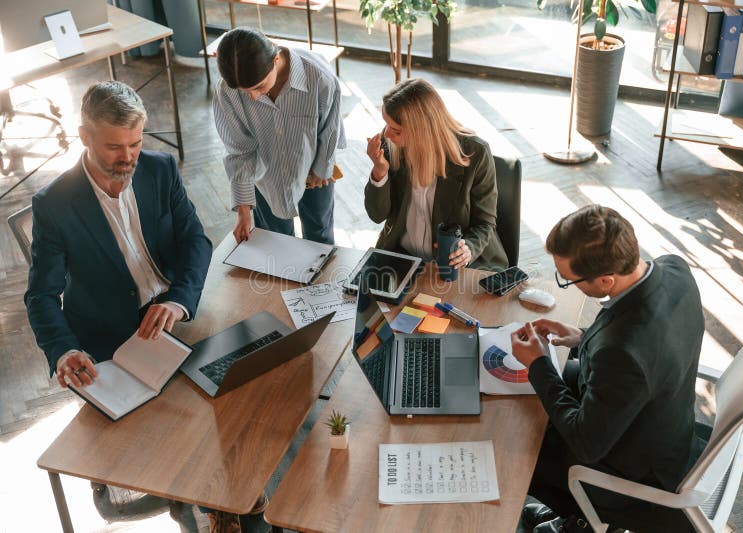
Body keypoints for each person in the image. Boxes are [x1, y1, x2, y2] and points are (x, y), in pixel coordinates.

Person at [510, 205, 704, 533]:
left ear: (606, 280)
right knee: (548, 387)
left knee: (522, 447)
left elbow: (586, 444)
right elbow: (642, 341)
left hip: (639, 466)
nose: (568, 284)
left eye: (569, 280)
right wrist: (582, 337)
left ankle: (584, 522)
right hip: (661, 414)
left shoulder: (621, 353)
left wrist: (538, 364)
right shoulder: (675, 269)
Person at [25, 81, 212, 389]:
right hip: (111, 339)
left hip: (177, 311)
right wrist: (64, 350)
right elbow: (41, 294)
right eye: (114, 147)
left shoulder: (161, 169)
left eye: (135, 143)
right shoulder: (54, 204)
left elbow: (195, 239)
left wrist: (179, 301)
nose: (128, 157)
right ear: (85, 136)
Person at [213, 27, 346, 245]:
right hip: (265, 178)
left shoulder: (319, 77)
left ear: (276, 60)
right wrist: (243, 212)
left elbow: (330, 129)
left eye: (259, 86)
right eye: (245, 92)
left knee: (320, 234)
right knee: (274, 240)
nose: (253, 97)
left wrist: (322, 168)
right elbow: (239, 151)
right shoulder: (227, 92)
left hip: (314, 170)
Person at [364, 78, 508, 272]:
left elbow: (484, 223)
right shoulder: (391, 145)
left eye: (396, 130)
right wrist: (379, 170)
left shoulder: (476, 153)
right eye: (386, 125)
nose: (387, 134)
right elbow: (377, 215)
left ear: (422, 130)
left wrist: (468, 249)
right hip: (402, 259)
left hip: (454, 266)